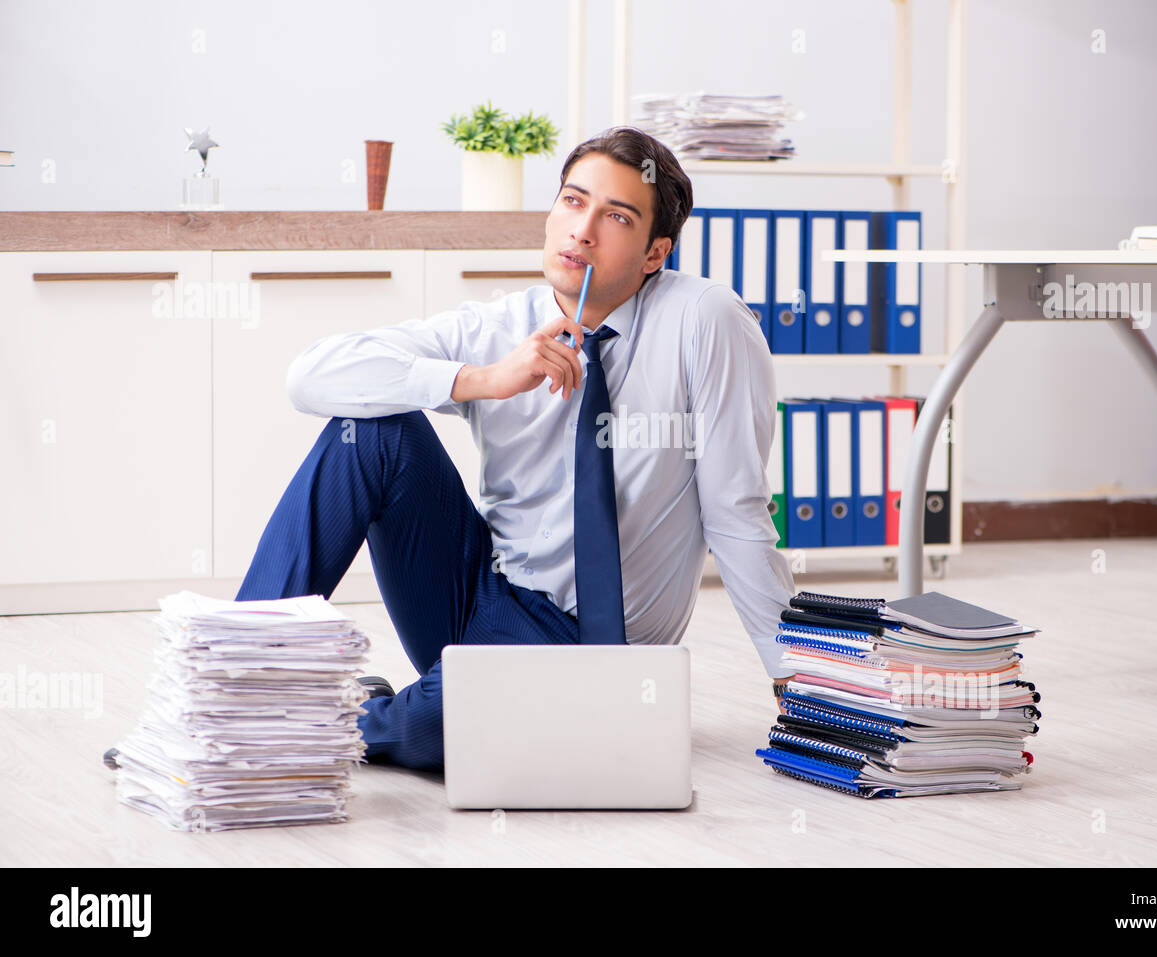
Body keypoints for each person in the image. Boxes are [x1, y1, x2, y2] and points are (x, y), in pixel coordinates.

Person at [235, 126, 796, 771]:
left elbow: (736, 511)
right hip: (477, 596)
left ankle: (347, 714)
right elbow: (309, 377)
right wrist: (484, 380)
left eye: (616, 217)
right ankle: (238, 687)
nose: (582, 231)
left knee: (443, 733)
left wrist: (797, 678)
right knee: (373, 430)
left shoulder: (704, 320)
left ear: (654, 253)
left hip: (592, 652)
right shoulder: (498, 327)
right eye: (572, 201)